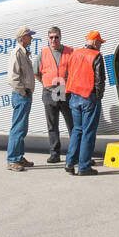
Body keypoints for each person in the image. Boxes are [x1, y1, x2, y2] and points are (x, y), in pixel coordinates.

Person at [64, 31, 106, 176]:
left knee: (77, 130)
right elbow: (100, 80)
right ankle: (84, 167)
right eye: (99, 42)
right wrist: (99, 97)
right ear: (94, 42)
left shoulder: (74, 54)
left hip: (74, 97)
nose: (100, 45)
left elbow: (67, 75)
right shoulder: (96, 56)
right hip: (89, 97)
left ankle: (70, 163)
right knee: (88, 132)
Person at [34, 26, 73, 163]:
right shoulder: (43, 53)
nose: (54, 40)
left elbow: (75, 70)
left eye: (56, 37)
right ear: (48, 39)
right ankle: (55, 154)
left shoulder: (70, 51)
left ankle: (76, 152)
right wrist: (46, 83)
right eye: (51, 37)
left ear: (60, 37)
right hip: (49, 92)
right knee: (52, 125)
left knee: (72, 124)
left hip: (64, 91)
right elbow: (36, 73)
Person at [6, 26, 36, 171]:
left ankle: (19, 157)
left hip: (24, 95)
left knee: (22, 128)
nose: (31, 38)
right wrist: (23, 92)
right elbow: (12, 78)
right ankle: (12, 160)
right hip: (21, 96)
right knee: (18, 128)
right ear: (22, 38)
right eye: (29, 35)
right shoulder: (17, 53)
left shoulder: (24, 53)